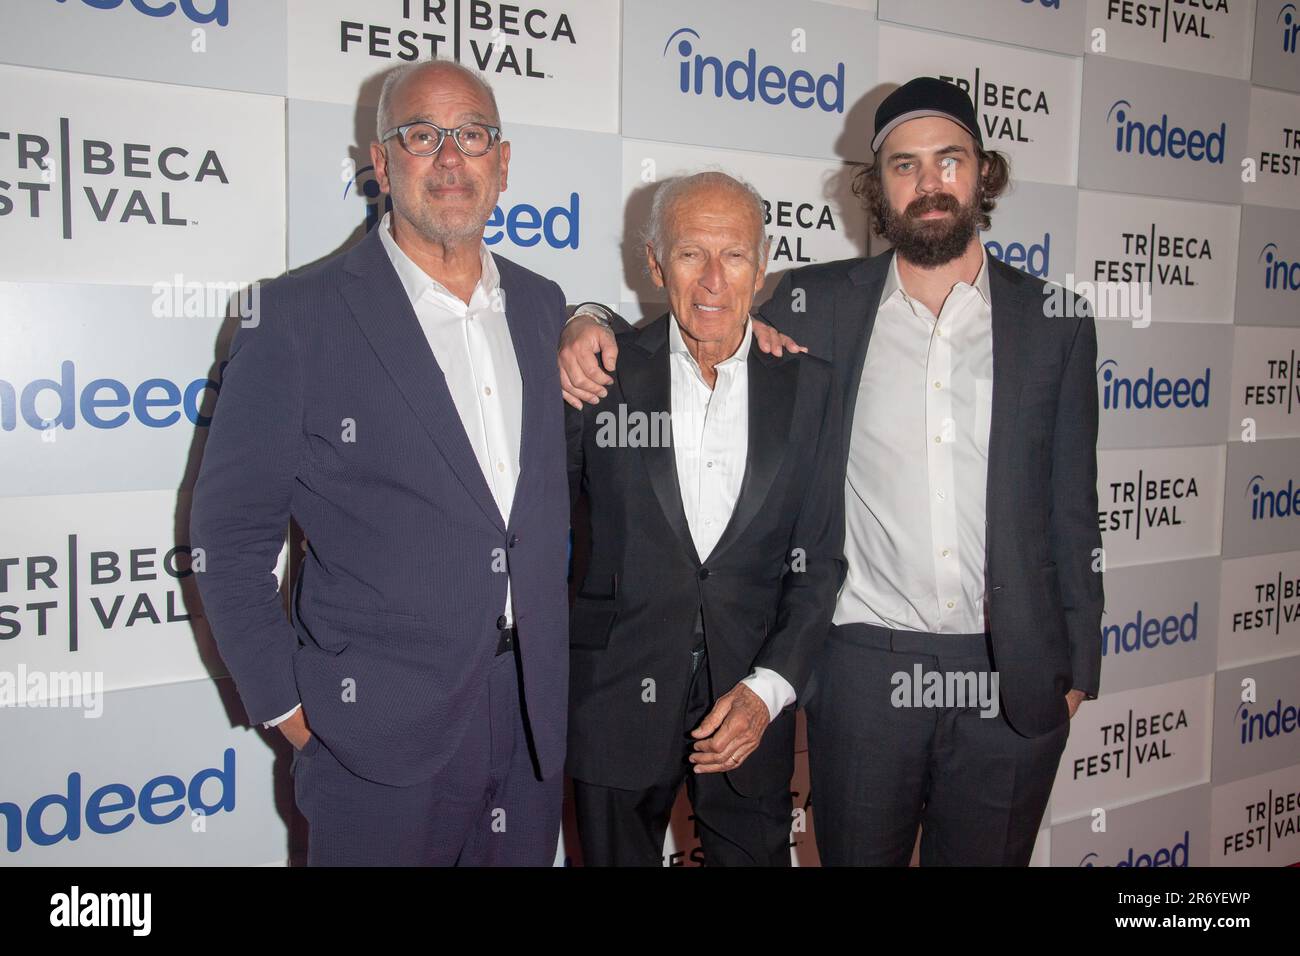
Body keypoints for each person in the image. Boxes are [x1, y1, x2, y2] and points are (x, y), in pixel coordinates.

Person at [559, 77, 1103, 866]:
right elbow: (695, 320)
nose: (928, 183)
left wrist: (1076, 665)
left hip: (1010, 679)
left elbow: (1073, 507)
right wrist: (588, 319)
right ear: (876, 187)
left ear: (981, 172)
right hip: (862, 678)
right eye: (904, 166)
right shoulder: (816, 305)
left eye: (947, 161)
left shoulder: (1055, 323)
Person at [191, 59, 570, 866]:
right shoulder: (296, 317)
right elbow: (227, 537)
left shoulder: (544, 307)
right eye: (420, 136)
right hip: (375, 740)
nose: (449, 159)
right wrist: (288, 707)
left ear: (503, 163)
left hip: (531, 720)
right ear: (380, 161)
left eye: (471, 135)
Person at [565, 172, 844, 866]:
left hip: (748, 701)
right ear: (656, 262)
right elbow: (538, 535)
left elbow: (821, 563)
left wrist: (767, 692)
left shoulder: (809, 388)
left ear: (764, 263)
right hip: (612, 698)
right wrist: (580, 315)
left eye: (735, 255)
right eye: (692, 254)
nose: (714, 280)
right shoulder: (598, 376)